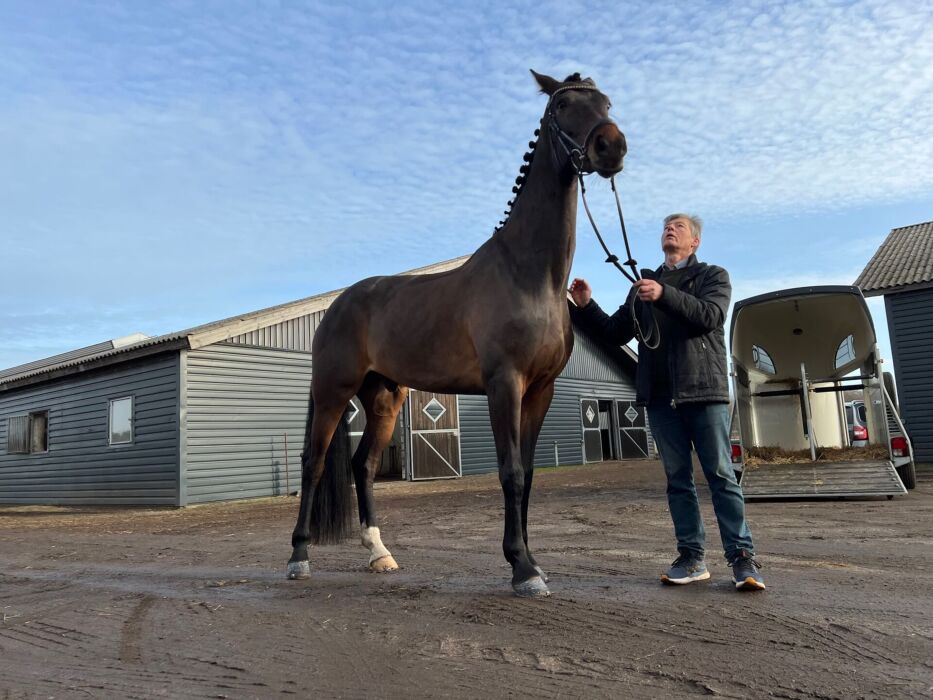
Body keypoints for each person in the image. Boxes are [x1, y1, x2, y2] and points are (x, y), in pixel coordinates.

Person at [569, 213, 765, 591]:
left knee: (721, 476)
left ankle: (742, 558)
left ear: (695, 242)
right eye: (666, 226)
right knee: (678, 481)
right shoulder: (643, 286)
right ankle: (692, 557)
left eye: (679, 227)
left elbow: (711, 315)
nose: (669, 230)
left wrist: (665, 294)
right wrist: (586, 305)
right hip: (660, 398)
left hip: (704, 392)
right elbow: (614, 332)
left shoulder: (712, 276)